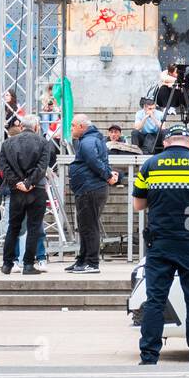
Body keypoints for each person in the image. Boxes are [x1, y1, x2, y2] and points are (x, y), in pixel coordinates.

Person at [133, 123, 189, 364]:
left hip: (160, 242)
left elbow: (138, 205)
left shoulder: (150, 165)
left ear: (166, 142)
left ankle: (149, 355)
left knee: (155, 300)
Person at [0, 114, 54, 276]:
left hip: (16, 190)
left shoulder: (7, 143)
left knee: (13, 227)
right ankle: (28, 265)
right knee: (34, 227)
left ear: (22, 127)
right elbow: (42, 167)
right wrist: (29, 183)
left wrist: (18, 183)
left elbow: (4, 166)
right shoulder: (44, 143)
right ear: (36, 127)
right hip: (36, 190)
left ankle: (7, 263)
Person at [68, 114, 117, 274]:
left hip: (90, 188)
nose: (71, 129)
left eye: (73, 125)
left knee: (89, 226)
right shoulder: (91, 138)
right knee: (85, 226)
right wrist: (108, 174)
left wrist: (108, 176)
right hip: (88, 187)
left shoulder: (88, 141)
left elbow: (94, 161)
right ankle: (82, 260)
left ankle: (92, 263)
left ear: (82, 126)